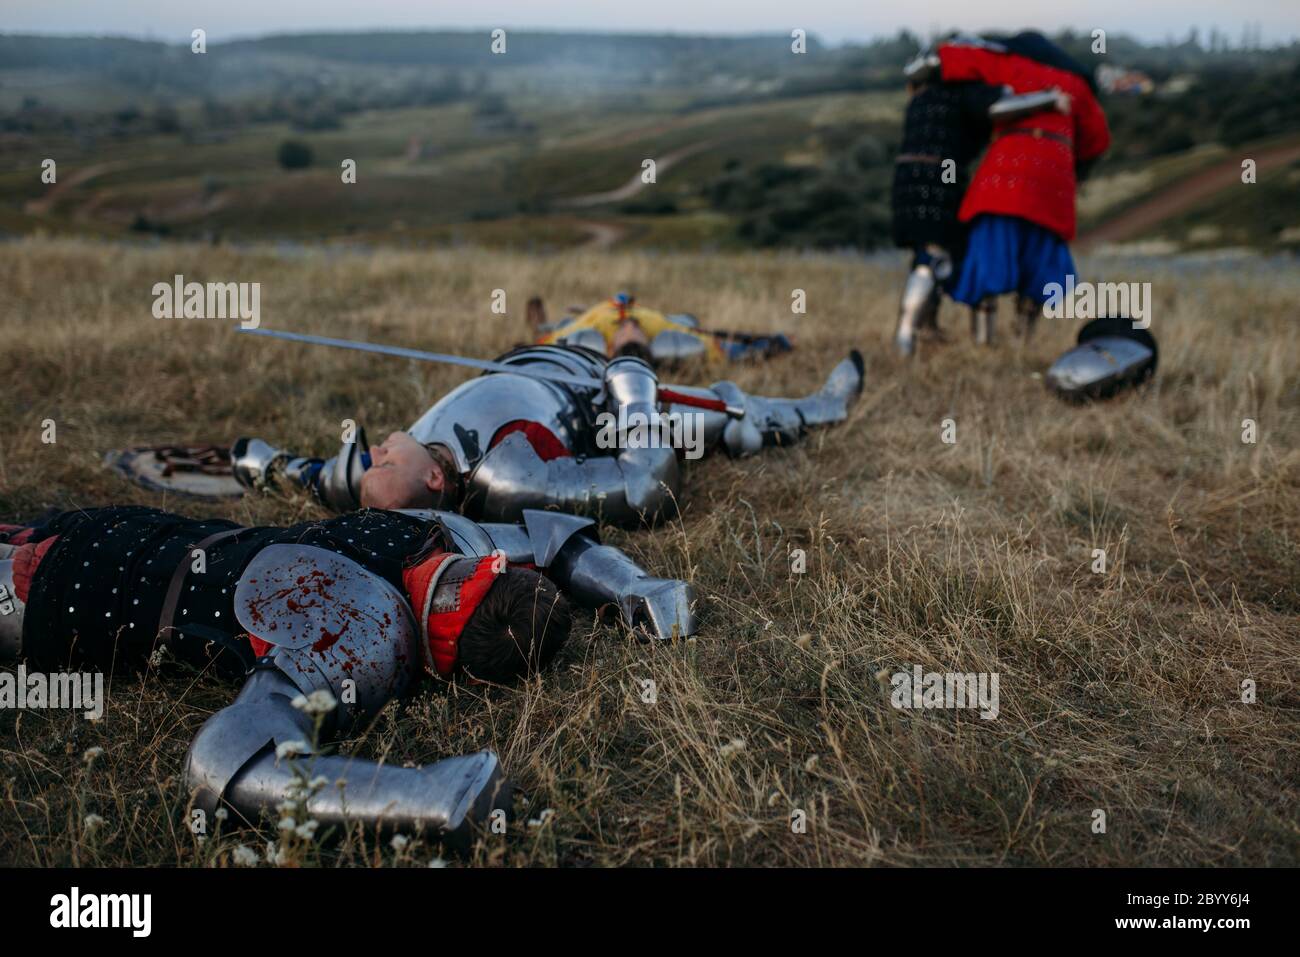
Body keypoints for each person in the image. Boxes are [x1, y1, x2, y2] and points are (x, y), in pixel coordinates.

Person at [0, 504, 695, 842]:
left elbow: (225, 759)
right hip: (135, 529)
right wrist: (641, 588)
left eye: (458, 587)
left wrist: (427, 797)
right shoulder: (451, 541)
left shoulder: (365, 633)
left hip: (68, 589)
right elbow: (556, 532)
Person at [231, 343, 864, 524]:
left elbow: (320, 477)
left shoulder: (384, 475)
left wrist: (262, 464)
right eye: (377, 463)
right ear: (431, 479)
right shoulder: (507, 478)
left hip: (538, 356)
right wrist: (635, 392)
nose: (371, 453)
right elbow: (645, 487)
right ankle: (822, 407)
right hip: (600, 399)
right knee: (738, 425)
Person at [908, 35, 1111, 344]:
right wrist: (1078, 172)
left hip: (1007, 168)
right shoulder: (1077, 83)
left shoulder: (1010, 62)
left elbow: (945, 60)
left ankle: (983, 342)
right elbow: (1098, 140)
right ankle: (1023, 341)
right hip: (1054, 171)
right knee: (1040, 252)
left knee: (989, 249)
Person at [892, 58, 1067, 355]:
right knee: (933, 258)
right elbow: (1000, 108)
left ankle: (925, 329)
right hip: (940, 174)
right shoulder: (965, 92)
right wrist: (1049, 99)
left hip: (906, 176)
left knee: (927, 255)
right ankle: (906, 334)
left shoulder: (920, 98)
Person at [536, 292, 793, 365]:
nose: (631, 330)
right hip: (604, 309)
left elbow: (547, 343)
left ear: (611, 346)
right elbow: (725, 349)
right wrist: (772, 344)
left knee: (567, 326)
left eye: (631, 337)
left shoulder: (594, 327)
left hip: (600, 309)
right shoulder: (658, 327)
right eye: (635, 337)